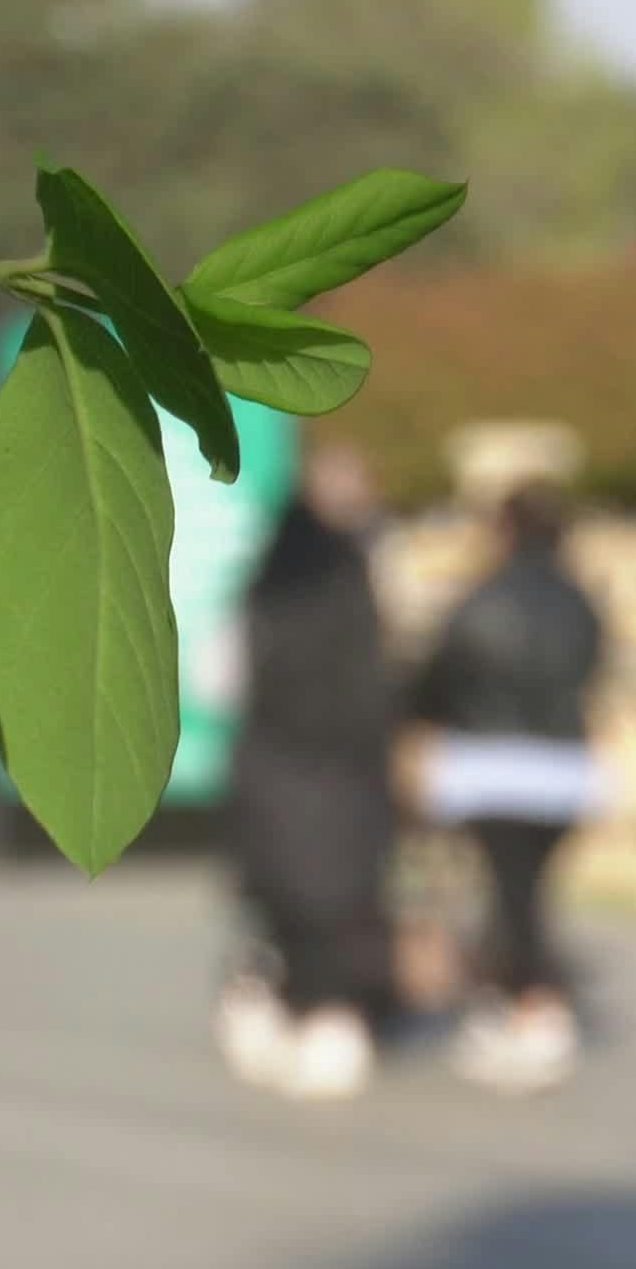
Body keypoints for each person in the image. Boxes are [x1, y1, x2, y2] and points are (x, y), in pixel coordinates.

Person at [408, 481, 610, 1095]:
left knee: (511, 888)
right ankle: (521, 1000)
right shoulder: (581, 603)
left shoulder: (479, 599)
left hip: (491, 766)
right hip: (563, 768)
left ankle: (533, 1005)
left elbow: (436, 677)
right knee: (526, 888)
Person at [214, 441, 398, 1102]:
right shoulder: (357, 578)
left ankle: (290, 1015)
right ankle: (335, 1020)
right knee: (343, 903)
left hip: (276, 768)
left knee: (282, 906)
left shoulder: (266, 581)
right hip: (346, 772)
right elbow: (380, 682)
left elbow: (221, 677)